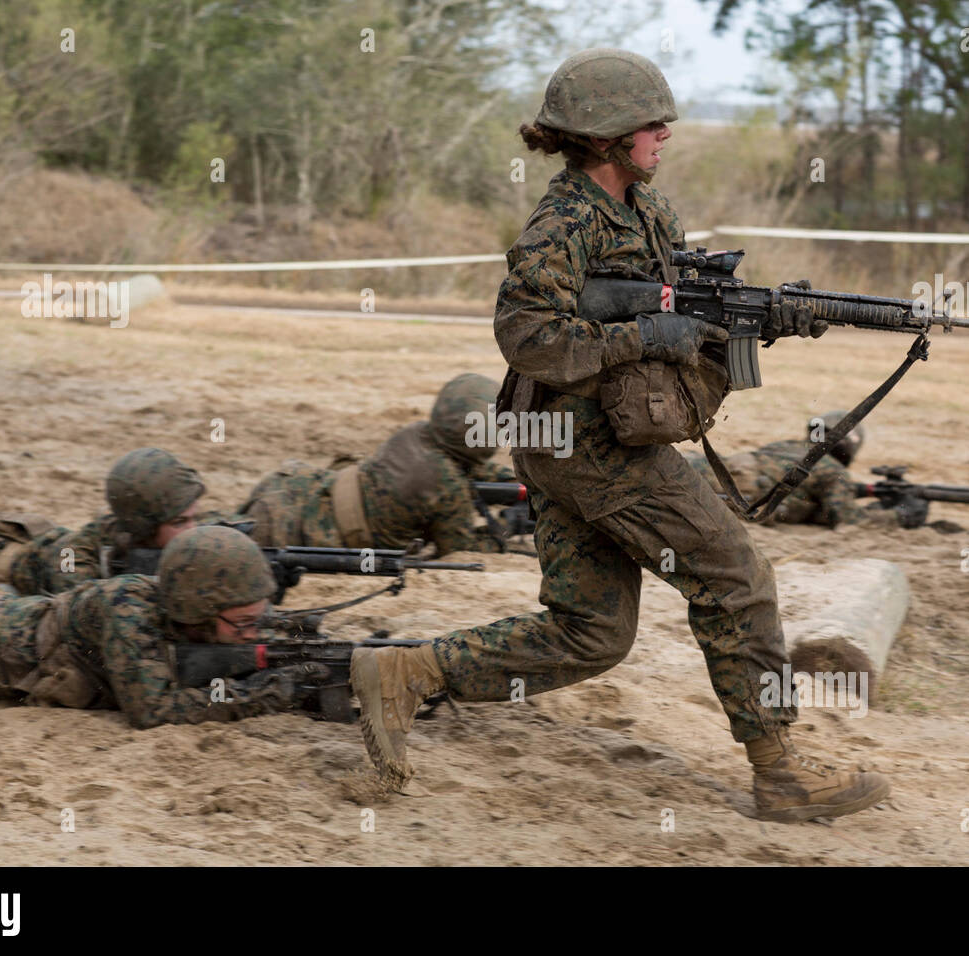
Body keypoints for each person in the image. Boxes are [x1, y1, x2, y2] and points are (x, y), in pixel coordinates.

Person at [348, 49, 889, 822]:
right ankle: (781, 774)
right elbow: (527, 335)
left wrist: (766, 320)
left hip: (582, 444)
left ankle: (409, 673)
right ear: (607, 137)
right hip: (585, 443)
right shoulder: (562, 223)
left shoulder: (646, 211)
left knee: (592, 631)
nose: (665, 133)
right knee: (737, 579)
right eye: (650, 123)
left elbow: (684, 308)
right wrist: (642, 339)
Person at [0, 526, 321, 728]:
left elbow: (250, 646)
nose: (255, 632)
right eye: (244, 623)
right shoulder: (128, 609)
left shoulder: (195, 613)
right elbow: (155, 712)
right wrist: (267, 693)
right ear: (198, 609)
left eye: (260, 618)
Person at [0, 448, 205, 618]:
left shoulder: (139, 540)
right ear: (144, 525)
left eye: (192, 519)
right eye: (180, 523)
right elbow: (68, 618)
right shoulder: (78, 558)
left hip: (8, 549)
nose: (192, 532)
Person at [240, 373, 516, 556]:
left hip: (291, 489)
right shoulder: (448, 487)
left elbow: (464, 464)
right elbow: (459, 551)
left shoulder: (417, 434)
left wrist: (514, 485)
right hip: (296, 533)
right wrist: (506, 530)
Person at [686, 411, 872, 528]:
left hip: (703, 468)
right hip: (717, 492)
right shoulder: (833, 469)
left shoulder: (784, 446)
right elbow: (847, 518)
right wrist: (896, 515)